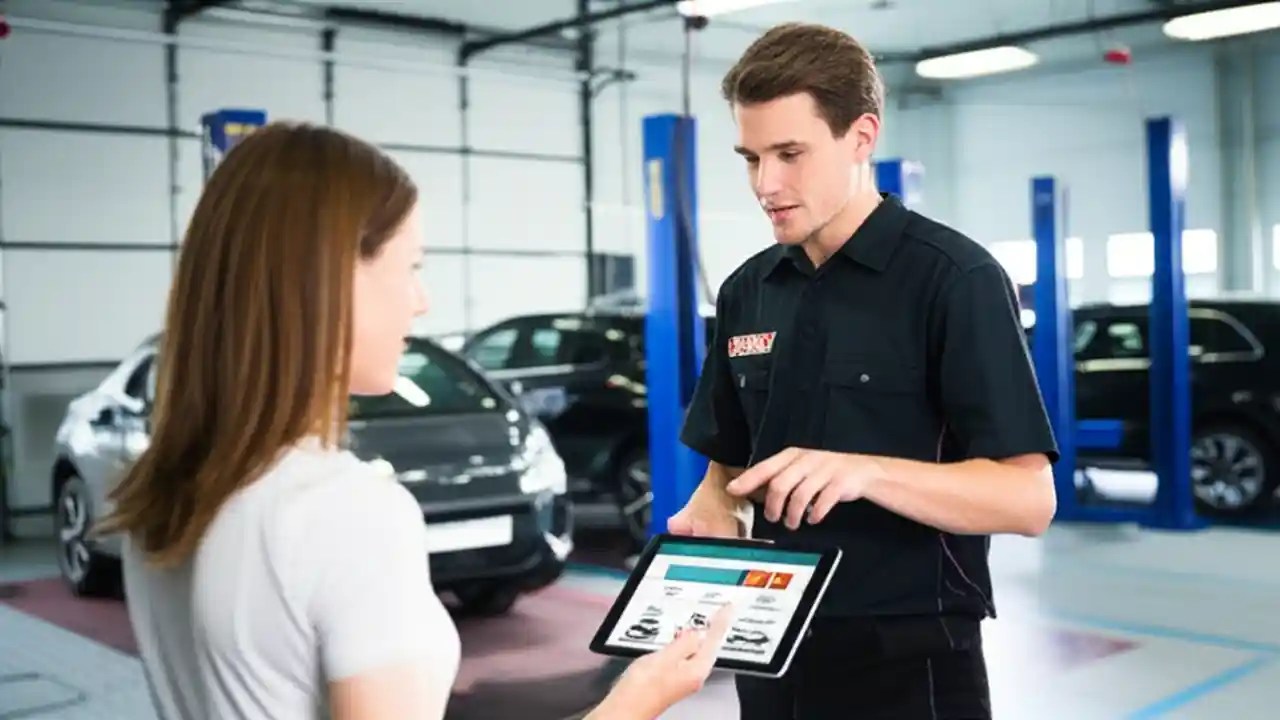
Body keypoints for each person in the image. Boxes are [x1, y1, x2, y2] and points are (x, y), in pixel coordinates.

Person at [95, 122, 731, 720]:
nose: (421, 301)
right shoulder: (344, 511)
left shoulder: (162, 493)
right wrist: (638, 697)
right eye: (411, 268)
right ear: (329, 282)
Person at [669, 22, 1060, 720]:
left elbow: (1027, 500)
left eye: (790, 154)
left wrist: (867, 472)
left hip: (909, 660)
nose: (766, 184)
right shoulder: (746, 291)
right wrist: (712, 506)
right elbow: (727, 463)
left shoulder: (954, 280)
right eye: (751, 158)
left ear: (861, 136)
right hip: (771, 646)